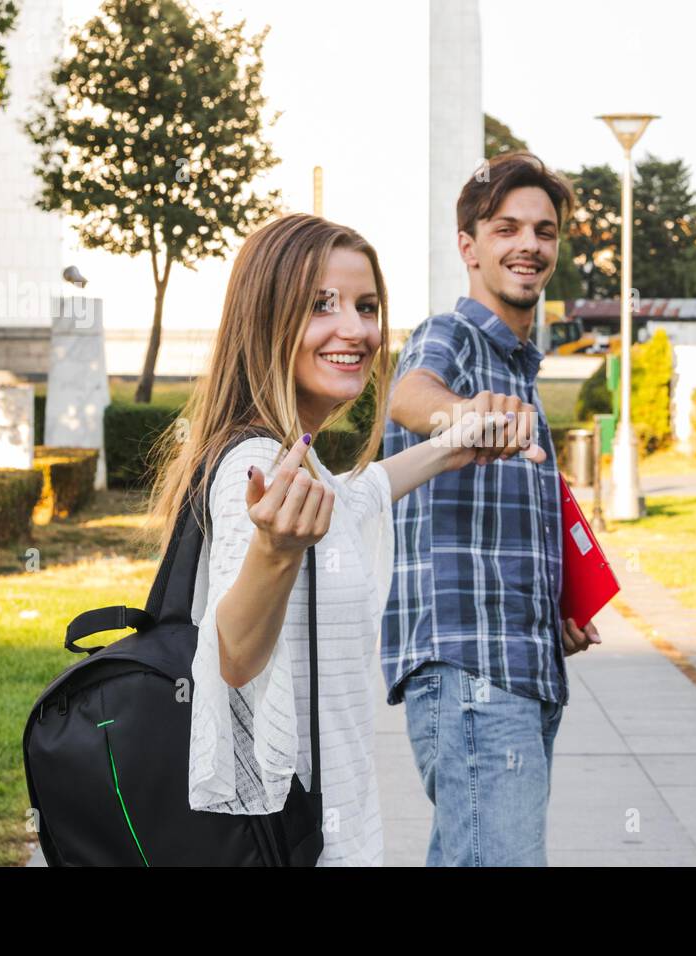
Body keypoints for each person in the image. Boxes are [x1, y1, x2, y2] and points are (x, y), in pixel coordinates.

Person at [145, 213, 543, 866]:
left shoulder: (296, 460)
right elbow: (231, 661)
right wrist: (273, 554)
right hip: (294, 843)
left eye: (367, 306)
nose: (355, 330)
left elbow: (361, 495)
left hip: (325, 829)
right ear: (265, 317)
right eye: (320, 306)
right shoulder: (257, 468)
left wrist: (452, 445)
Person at [383, 151, 602, 867]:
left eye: (544, 230)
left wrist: (554, 611)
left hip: (523, 665)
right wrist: (463, 414)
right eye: (506, 228)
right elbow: (411, 395)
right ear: (469, 247)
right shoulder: (452, 336)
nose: (529, 245)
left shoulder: (521, 370)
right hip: (472, 667)